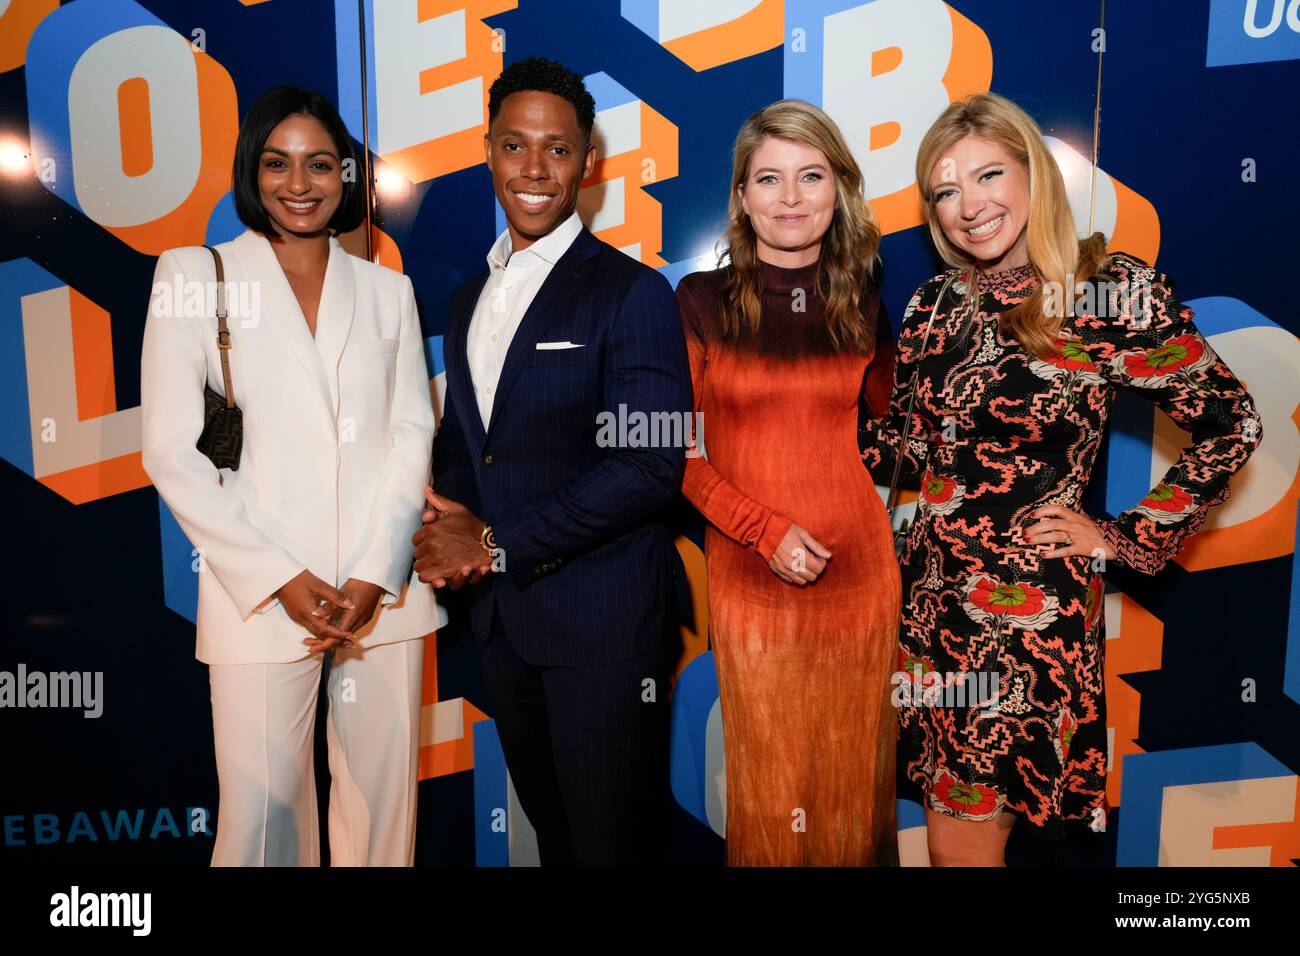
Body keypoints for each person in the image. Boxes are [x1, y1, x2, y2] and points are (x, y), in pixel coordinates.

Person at [859, 92, 1262, 866]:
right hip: (929, 607)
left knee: (960, 850)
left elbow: (1232, 423)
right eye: (945, 191)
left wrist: (1123, 535)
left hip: (1025, 616)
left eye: (988, 175)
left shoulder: (1106, 290)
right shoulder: (932, 305)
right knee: (954, 845)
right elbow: (908, 449)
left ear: (1033, 174)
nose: (969, 206)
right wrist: (789, 421)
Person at [141, 86, 444, 866]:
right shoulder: (194, 276)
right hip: (259, 595)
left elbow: (412, 434)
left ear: (346, 175)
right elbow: (170, 452)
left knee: (381, 824)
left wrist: (376, 574)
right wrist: (280, 579)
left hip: (382, 599)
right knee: (262, 826)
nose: (299, 184)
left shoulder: (388, 291)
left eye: (319, 164)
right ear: (252, 169)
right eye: (277, 163)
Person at [413, 57, 692, 866]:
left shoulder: (632, 293)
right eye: (515, 145)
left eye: (557, 149)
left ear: (588, 163)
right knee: (556, 842)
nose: (534, 169)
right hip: (505, 626)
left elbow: (648, 467)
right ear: (488, 152)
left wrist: (493, 543)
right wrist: (454, 519)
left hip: (604, 629)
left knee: (614, 848)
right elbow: (467, 440)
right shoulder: (469, 296)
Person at [674, 100, 900, 866]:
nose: (791, 197)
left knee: (853, 787)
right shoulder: (700, 303)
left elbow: (896, 437)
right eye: (769, 178)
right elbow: (676, 453)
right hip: (751, 575)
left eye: (812, 175)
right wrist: (764, 532)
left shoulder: (862, 305)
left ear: (839, 189)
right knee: (771, 794)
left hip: (860, 575)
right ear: (741, 195)